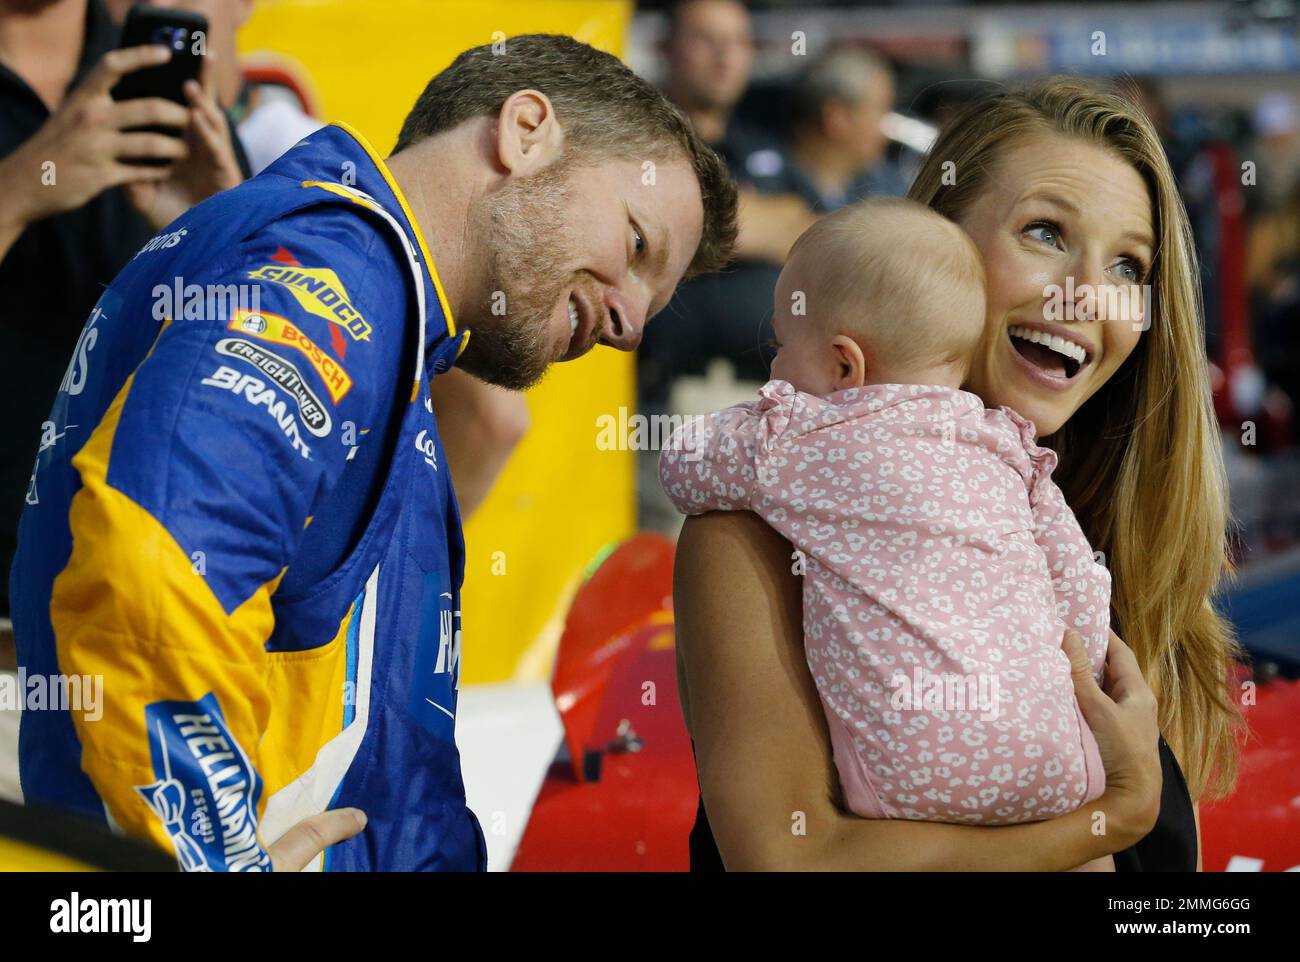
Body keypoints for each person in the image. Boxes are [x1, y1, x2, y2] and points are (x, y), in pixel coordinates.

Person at [11, 33, 737, 872]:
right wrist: (214, 861)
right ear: (526, 131)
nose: (630, 325)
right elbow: (153, 567)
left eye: (653, 301)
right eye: (637, 247)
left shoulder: (388, 315)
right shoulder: (339, 277)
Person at [674, 77, 1243, 871]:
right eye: (1044, 233)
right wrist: (1112, 819)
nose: (1084, 293)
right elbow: (789, 862)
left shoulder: (1101, 550)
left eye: (1127, 266)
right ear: (932, 237)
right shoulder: (753, 533)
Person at [661, 199, 1114, 870]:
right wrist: (1086, 690)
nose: (775, 371)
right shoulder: (1007, 450)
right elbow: (1081, 588)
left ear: (845, 366)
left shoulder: (805, 441)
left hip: (908, 777)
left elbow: (686, 465)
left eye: (783, 345)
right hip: (1060, 765)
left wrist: (751, 422)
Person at [0, 0, 245, 621]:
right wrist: (21, 189)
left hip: (130, 621)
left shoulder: (168, 85)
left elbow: (244, 376)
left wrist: (211, 232)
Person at [640, 0, 816, 404]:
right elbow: (652, 227)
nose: (725, 57)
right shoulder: (637, 140)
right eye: (706, 40)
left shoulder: (763, 145)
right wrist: (756, 220)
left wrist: (702, 222)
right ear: (665, 47)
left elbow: (812, 230)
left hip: (763, 400)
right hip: (653, 401)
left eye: (739, 41)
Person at [782, 47, 908, 212]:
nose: (888, 127)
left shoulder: (887, 185)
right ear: (837, 118)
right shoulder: (763, 179)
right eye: (880, 110)